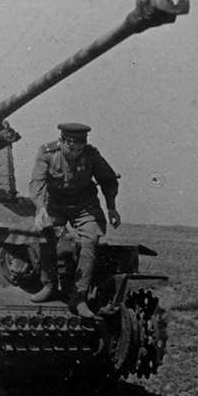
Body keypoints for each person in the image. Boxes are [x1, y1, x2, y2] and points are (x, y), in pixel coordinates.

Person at [28, 123, 121, 318]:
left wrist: (111, 207)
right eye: (71, 149)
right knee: (49, 234)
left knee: (90, 240)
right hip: (55, 208)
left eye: (79, 149)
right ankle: (50, 286)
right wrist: (41, 208)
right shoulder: (47, 154)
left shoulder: (91, 154)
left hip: (84, 206)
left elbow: (108, 179)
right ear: (61, 141)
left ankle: (78, 297)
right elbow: (38, 182)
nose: (75, 154)